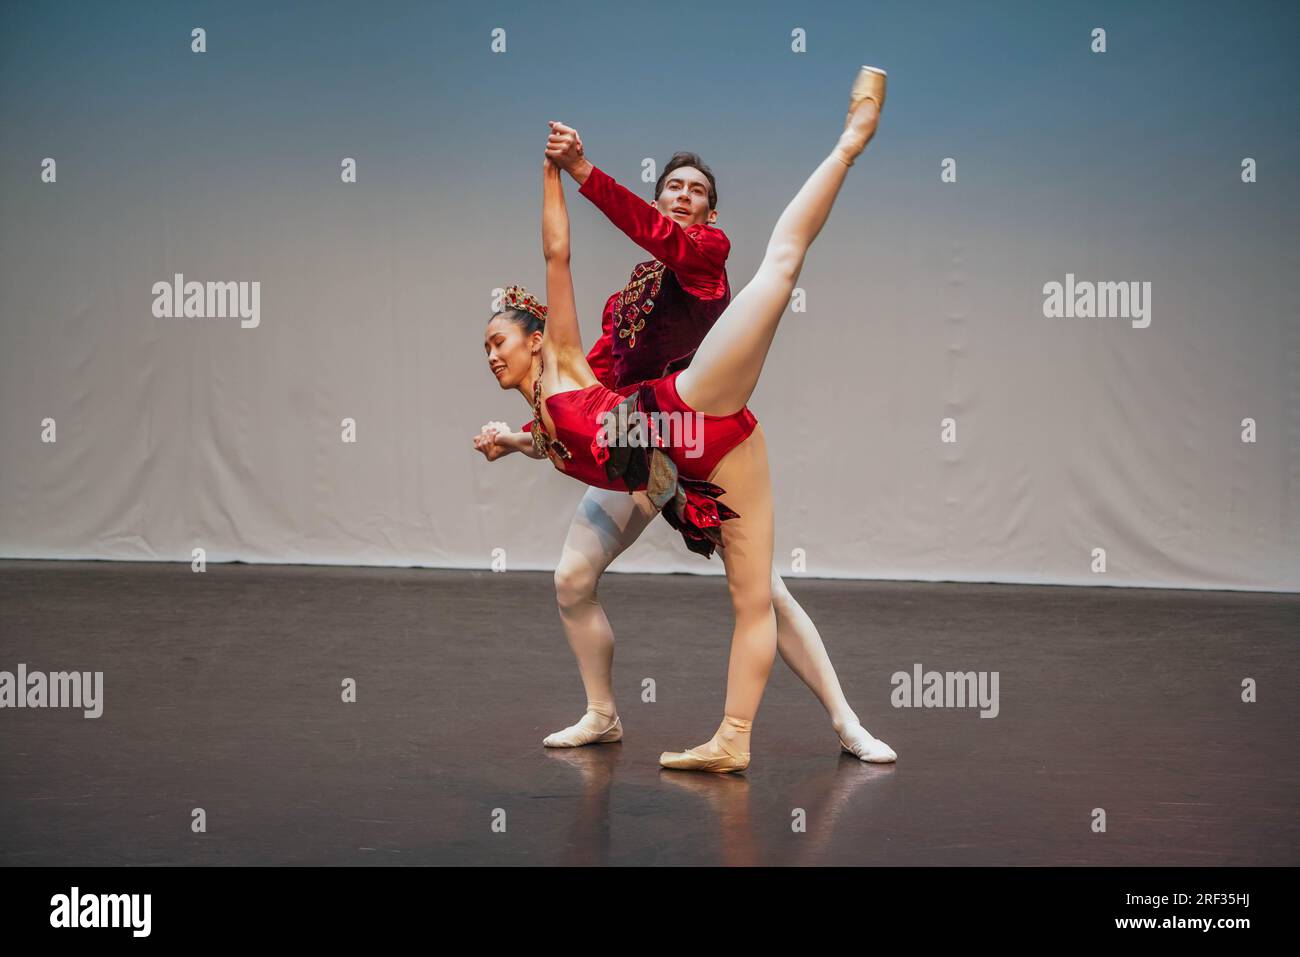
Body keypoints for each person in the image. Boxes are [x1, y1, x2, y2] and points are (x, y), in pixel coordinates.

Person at [479, 66, 887, 772]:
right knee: (571, 579)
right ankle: (602, 713)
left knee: (764, 594)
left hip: (698, 429)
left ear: (709, 213)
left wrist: (579, 171)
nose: (683, 198)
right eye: (674, 187)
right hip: (638, 441)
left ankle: (846, 720)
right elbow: (584, 395)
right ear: (662, 193)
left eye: (696, 193)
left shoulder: (705, 255)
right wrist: (519, 436)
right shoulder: (621, 302)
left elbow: (645, 235)